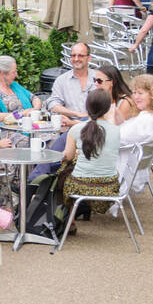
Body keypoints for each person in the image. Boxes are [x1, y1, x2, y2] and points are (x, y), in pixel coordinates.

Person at [58, 88, 122, 232]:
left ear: (86, 107)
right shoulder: (116, 130)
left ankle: (69, 221)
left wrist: (76, 153)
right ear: (107, 108)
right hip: (109, 187)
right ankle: (78, 215)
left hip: (80, 186)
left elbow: (66, 156)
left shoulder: (76, 129)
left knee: (62, 175)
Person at [113, 74, 153, 201]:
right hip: (136, 170)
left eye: (140, 93)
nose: (135, 97)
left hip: (121, 172)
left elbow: (116, 139)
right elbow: (126, 133)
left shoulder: (146, 121)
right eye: (134, 93)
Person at [48, 42, 93, 123]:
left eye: (81, 56)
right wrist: (77, 114)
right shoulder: (61, 80)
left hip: (96, 125)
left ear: (89, 58)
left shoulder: (99, 77)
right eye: (73, 55)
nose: (76, 59)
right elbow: (53, 105)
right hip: (71, 126)